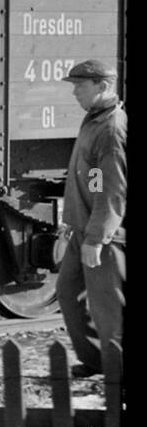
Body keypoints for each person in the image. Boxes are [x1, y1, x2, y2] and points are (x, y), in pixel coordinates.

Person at [56, 58, 126, 379]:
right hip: (82, 229)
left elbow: (111, 191)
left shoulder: (111, 128)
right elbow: (94, 179)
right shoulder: (95, 121)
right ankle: (96, 361)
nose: (75, 93)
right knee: (69, 294)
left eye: (80, 86)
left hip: (101, 235)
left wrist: (97, 238)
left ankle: (115, 376)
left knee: (107, 309)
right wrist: (73, 221)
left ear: (102, 86)